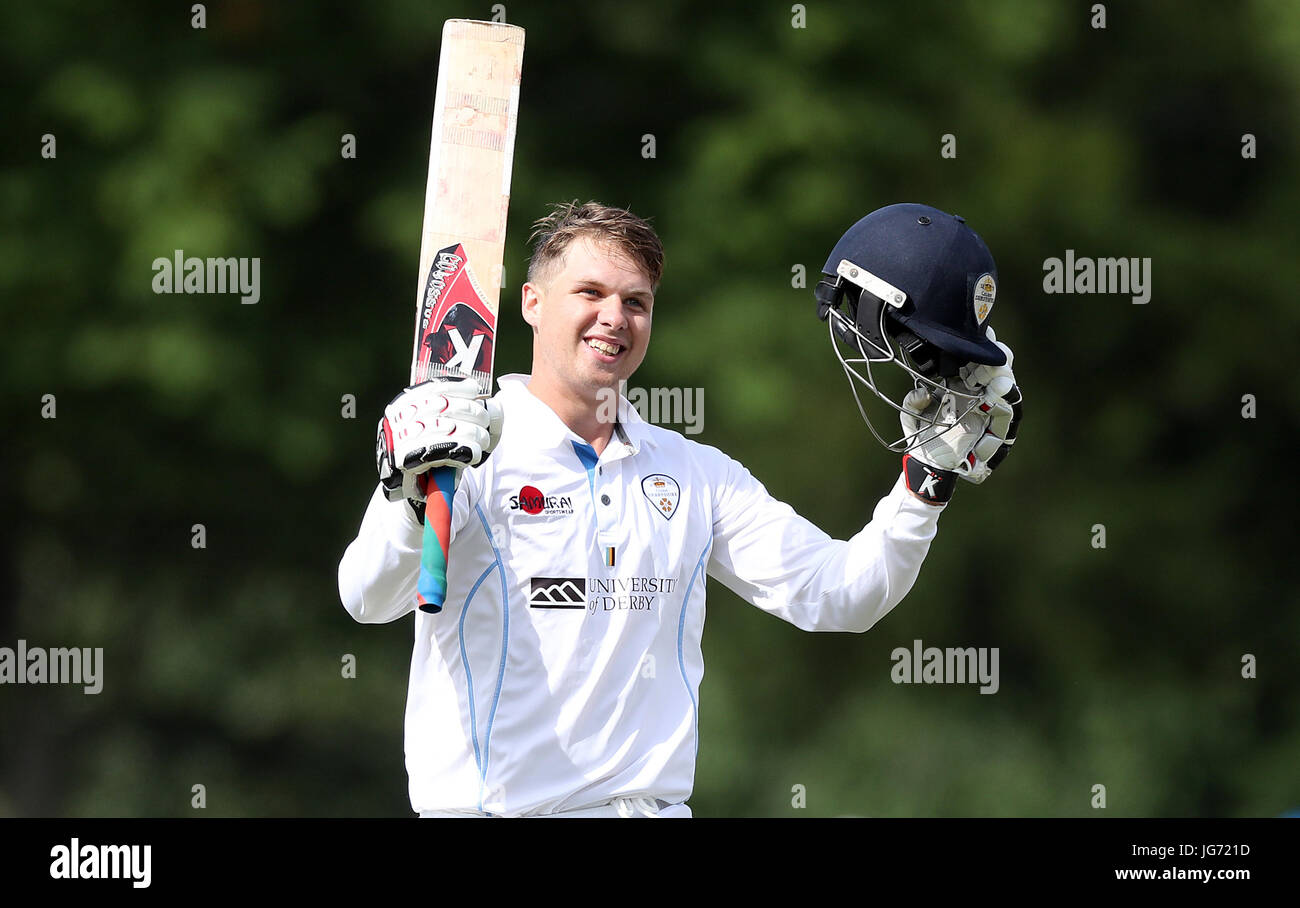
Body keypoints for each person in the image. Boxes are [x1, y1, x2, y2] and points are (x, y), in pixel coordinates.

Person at [338, 200, 1022, 818]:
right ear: (532, 303)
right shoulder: (456, 448)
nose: (615, 317)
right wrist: (406, 499)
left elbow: (843, 595)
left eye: (636, 302)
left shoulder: (695, 473)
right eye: (591, 293)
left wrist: (924, 485)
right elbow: (367, 597)